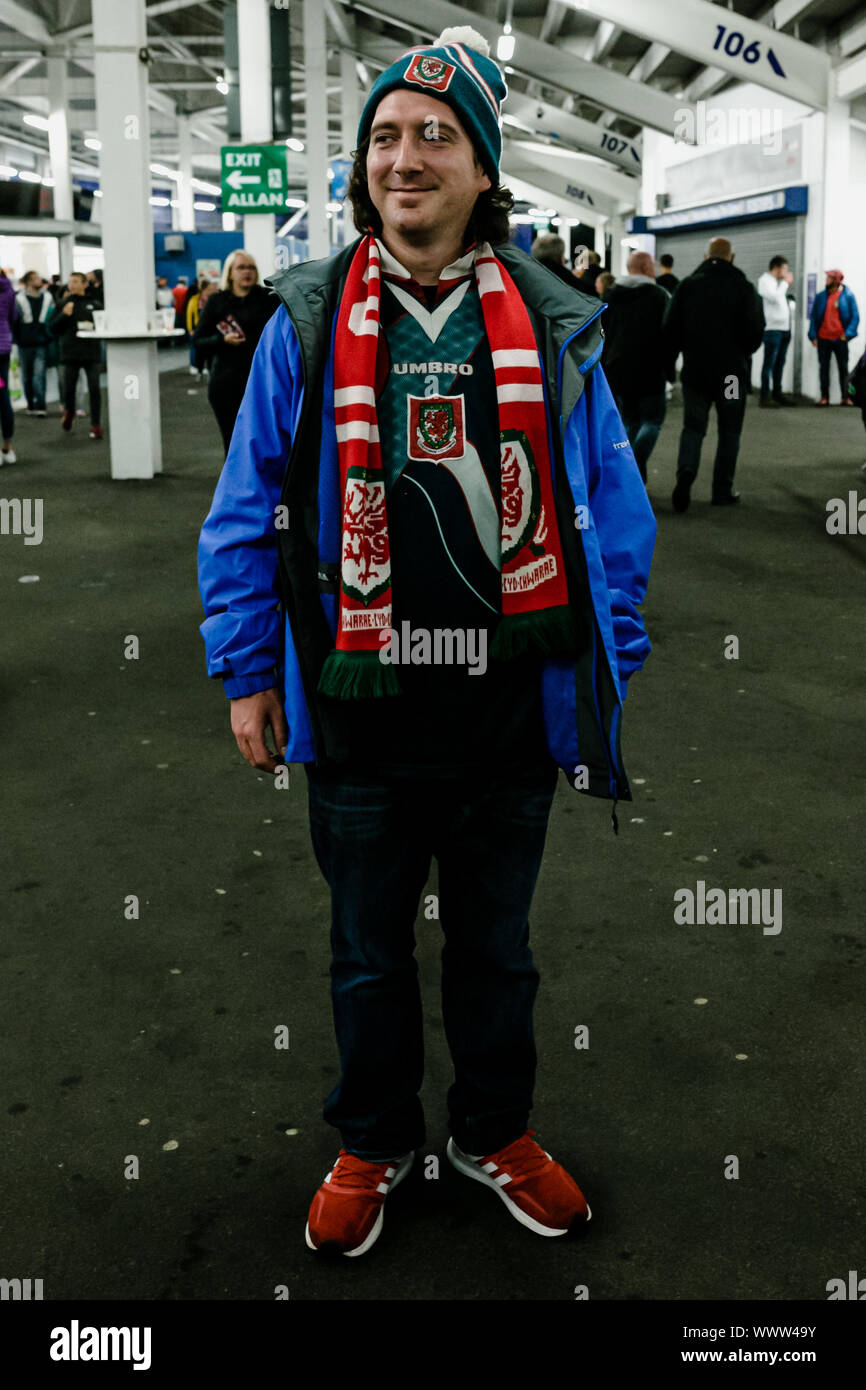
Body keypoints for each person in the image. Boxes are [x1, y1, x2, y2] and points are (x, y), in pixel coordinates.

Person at [198, 23, 656, 1260]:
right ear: (363, 169)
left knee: (496, 954)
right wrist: (247, 670)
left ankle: (492, 1131)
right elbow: (245, 511)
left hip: (508, 708)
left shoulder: (554, 324)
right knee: (366, 952)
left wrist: (608, 659)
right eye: (386, 139)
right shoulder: (302, 319)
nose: (405, 159)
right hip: (360, 711)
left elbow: (610, 508)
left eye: (434, 139)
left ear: (480, 169)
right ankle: (374, 1137)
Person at [662, 236, 764, 511]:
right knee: (730, 430)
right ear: (733, 257)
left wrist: (678, 358)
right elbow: (755, 333)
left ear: (706, 256)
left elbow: (670, 329)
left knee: (694, 427)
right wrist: (740, 353)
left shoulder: (688, 286)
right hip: (731, 376)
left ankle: (686, 473)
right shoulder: (744, 288)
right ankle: (722, 490)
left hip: (696, 372)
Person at [193, 250, 278, 456]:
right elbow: (198, 340)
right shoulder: (216, 302)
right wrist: (222, 340)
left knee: (263, 440)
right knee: (232, 441)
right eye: (241, 268)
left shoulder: (269, 299)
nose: (246, 272)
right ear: (230, 273)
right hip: (226, 382)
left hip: (262, 381)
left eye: (251, 268)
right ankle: (234, 485)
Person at [600, 251, 671, 485]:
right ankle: (633, 463)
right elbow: (668, 333)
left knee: (630, 420)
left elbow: (602, 332)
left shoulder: (610, 295)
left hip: (617, 369)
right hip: (650, 368)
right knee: (653, 420)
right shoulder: (660, 296)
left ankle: (627, 468)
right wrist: (670, 368)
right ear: (646, 267)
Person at [48, 270, 104, 439]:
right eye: (70, 281)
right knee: (69, 389)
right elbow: (53, 329)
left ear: (85, 284)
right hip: (70, 353)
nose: (71, 284)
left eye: (76, 281)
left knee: (94, 388)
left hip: (91, 352)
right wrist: (65, 315)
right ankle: (69, 413)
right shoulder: (63, 304)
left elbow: (102, 324)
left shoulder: (94, 304)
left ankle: (96, 424)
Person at [808, 269, 859, 406]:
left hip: (840, 339)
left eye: (829, 278)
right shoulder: (820, 297)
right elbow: (813, 318)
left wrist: (847, 335)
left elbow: (855, 317)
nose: (826, 280)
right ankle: (825, 397)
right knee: (823, 368)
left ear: (836, 280)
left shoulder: (847, 296)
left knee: (843, 368)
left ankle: (846, 397)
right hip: (823, 338)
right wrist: (813, 335)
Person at [15, 269, 53, 418]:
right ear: (29, 281)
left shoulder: (48, 298)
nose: (40, 280)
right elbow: (15, 321)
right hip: (24, 343)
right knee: (27, 376)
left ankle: (41, 405)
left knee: (39, 374)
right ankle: (31, 403)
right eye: (36, 278)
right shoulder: (19, 299)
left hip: (41, 342)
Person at [757, 255, 795, 407]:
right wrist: (785, 284)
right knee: (769, 364)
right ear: (777, 268)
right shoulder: (765, 281)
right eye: (785, 269)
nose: (786, 272)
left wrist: (783, 284)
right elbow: (774, 297)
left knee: (780, 363)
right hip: (773, 329)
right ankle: (764, 397)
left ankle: (777, 393)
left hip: (784, 329)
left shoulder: (776, 283)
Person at [0, 267, 19, 463]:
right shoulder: (8, 290)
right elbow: (14, 316)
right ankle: (7, 446)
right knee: (3, 396)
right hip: (2, 348)